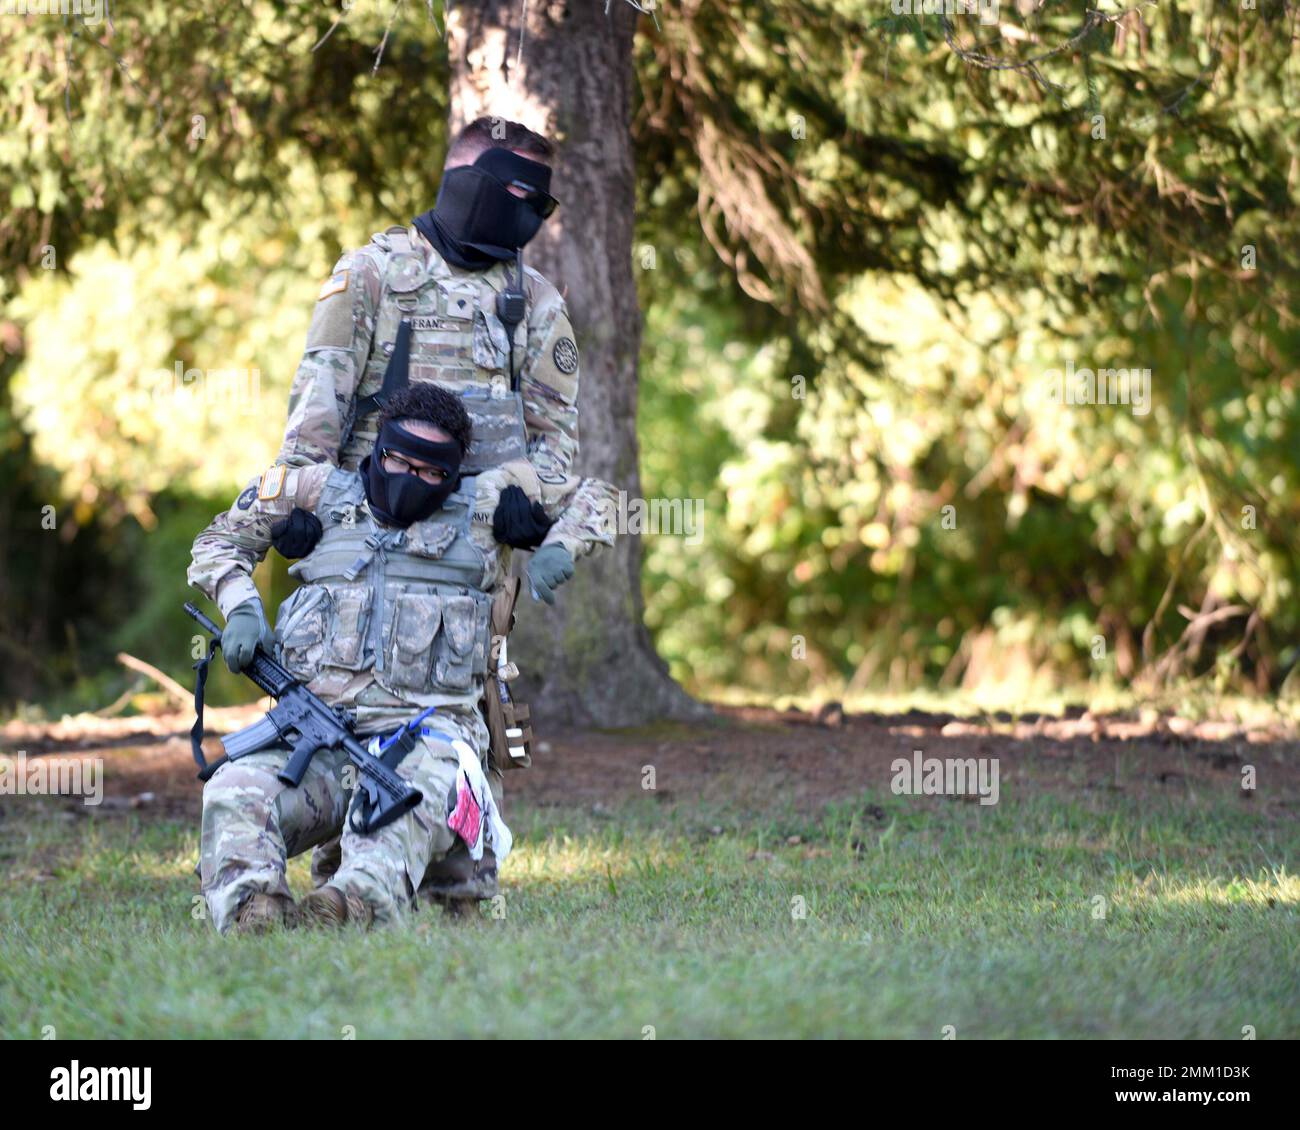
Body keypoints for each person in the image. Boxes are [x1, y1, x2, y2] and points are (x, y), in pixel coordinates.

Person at [188, 384, 616, 934]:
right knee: (234, 789)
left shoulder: (489, 502)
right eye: (397, 460)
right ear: (378, 450)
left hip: (431, 738)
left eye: (431, 473)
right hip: (318, 736)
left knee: (391, 812)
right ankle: (256, 919)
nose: (410, 479)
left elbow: (601, 498)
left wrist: (561, 544)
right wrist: (241, 605)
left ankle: (348, 909)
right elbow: (219, 541)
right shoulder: (317, 491)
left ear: (453, 474)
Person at [276, 116, 579, 486]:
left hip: (482, 529)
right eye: (520, 189)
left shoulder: (537, 301)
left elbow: (553, 434)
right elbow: (316, 410)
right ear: (467, 179)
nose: (531, 210)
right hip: (365, 521)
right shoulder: (372, 274)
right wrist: (301, 500)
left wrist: (531, 499)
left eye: (541, 203)